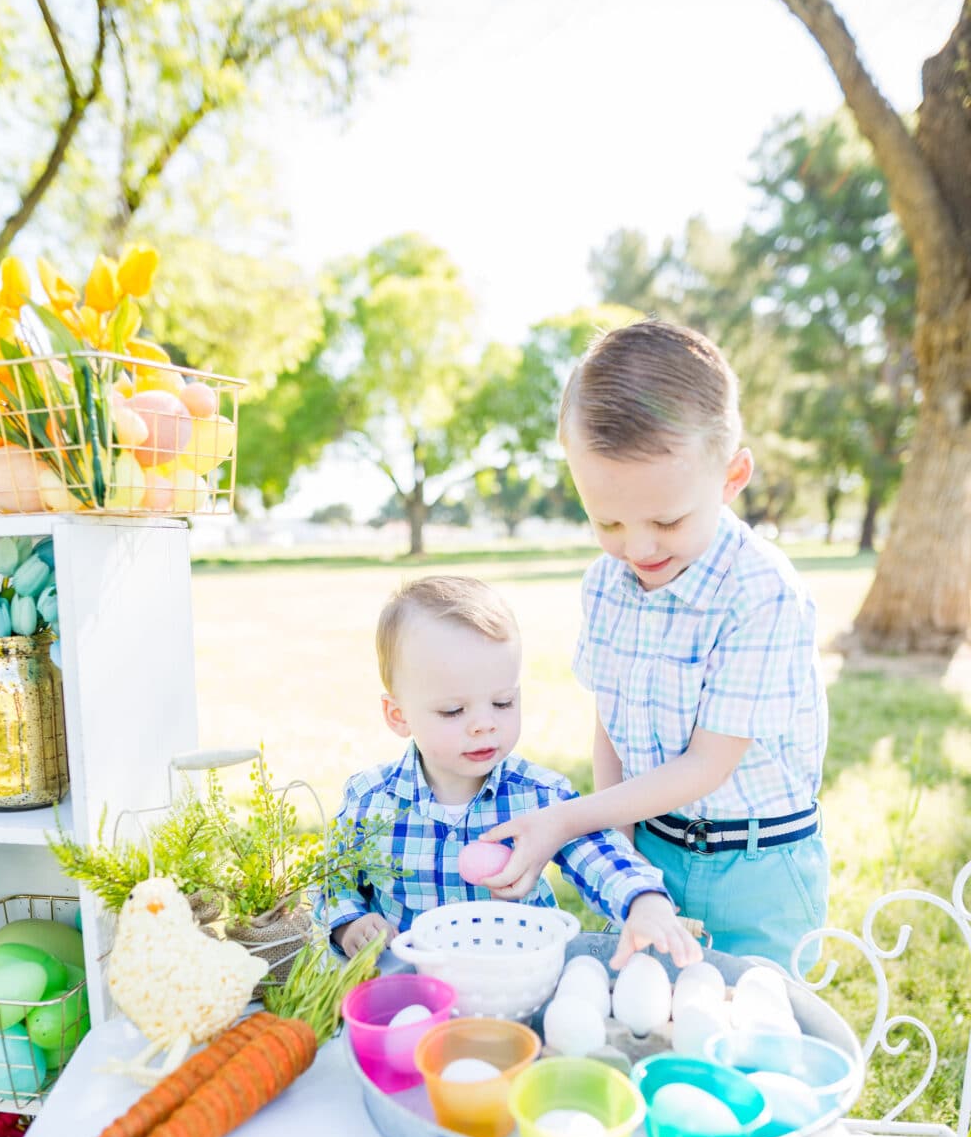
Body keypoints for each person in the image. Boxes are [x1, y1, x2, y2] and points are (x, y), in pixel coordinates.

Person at [480, 321, 829, 974]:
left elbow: (706, 767)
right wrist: (628, 868)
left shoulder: (761, 592)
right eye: (607, 521)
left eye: (667, 520)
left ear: (732, 477)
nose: (638, 548)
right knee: (647, 1018)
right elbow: (610, 729)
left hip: (759, 870)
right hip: (657, 848)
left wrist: (564, 820)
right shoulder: (607, 585)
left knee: (752, 1026)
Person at [319, 574, 698, 967]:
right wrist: (349, 924)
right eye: (453, 710)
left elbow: (598, 852)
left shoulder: (537, 796)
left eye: (502, 702)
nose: (485, 724)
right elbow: (335, 881)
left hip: (517, 983)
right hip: (414, 991)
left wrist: (644, 900)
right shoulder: (370, 800)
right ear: (398, 716)